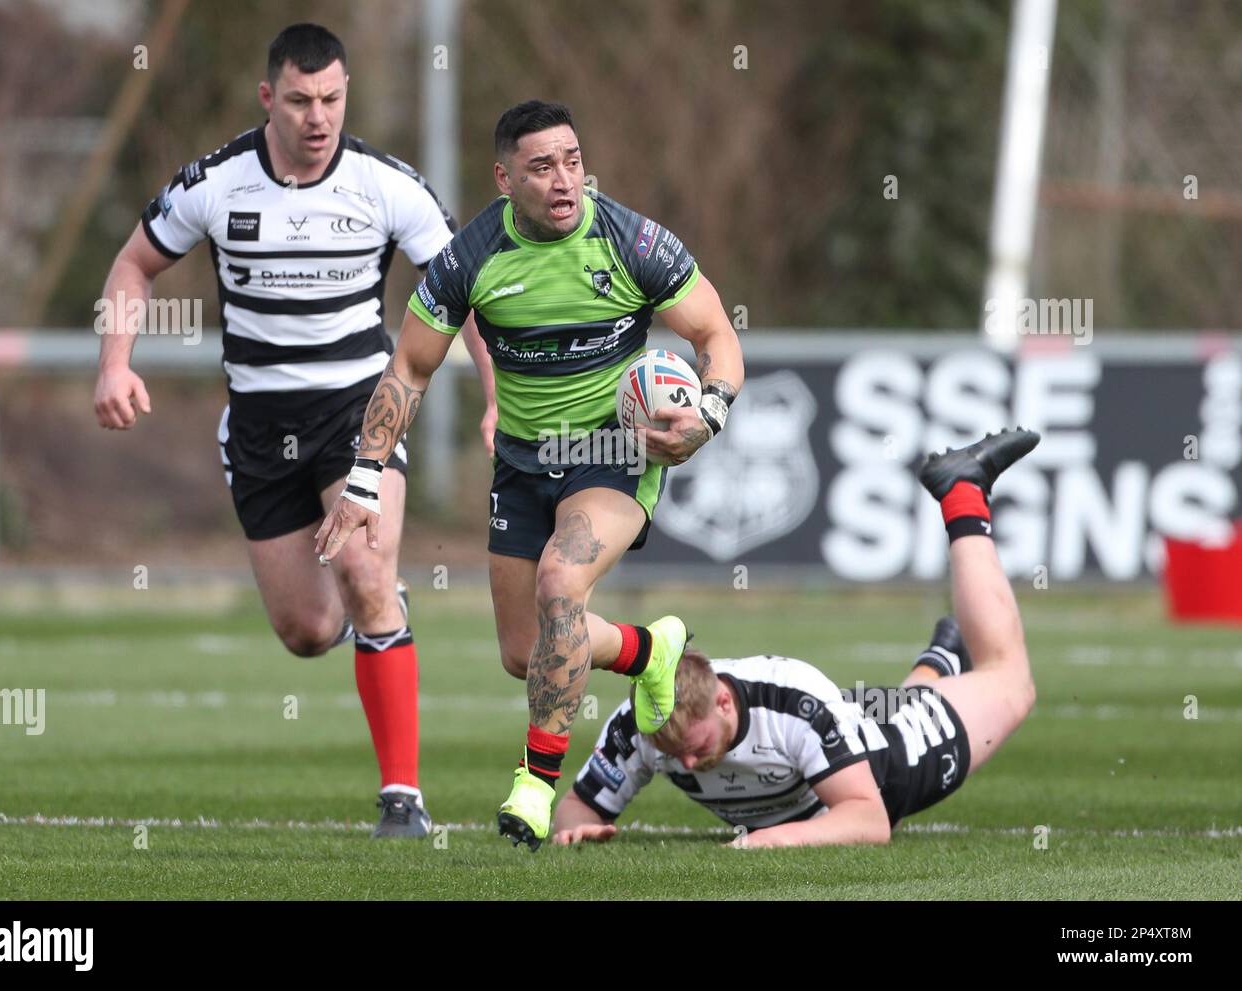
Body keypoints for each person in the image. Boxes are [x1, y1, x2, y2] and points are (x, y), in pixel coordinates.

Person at [92, 23, 489, 838]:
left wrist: (496, 398)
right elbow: (134, 263)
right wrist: (115, 362)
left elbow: (465, 290)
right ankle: (375, 607)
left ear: (347, 95)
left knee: (364, 569)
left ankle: (402, 797)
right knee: (308, 631)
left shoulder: (387, 186)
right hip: (261, 425)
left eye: (334, 99)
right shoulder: (216, 182)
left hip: (359, 411)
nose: (319, 116)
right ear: (269, 97)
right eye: (302, 100)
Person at [314, 100, 745, 851]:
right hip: (521, 463)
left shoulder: (631, 240)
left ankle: (536, 785)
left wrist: (708, 412)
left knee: (560, 587)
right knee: (527, 651)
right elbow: (410, 368)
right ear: (504, 176)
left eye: (573, 160)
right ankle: (650, 650)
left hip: (615, 456)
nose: (563, 179)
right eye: (542, 166)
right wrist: (363, 477)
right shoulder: (471, 257)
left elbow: (717, 335)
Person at [552, 428, 1040, 848]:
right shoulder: (645, 722)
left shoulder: (790, 698)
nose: (684, 762)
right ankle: (939, 659)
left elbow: (868, 819)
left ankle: (962, 490)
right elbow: (578, 806)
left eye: (694, 750)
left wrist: (773, 837)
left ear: (723, 702)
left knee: (1010, 679)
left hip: (887, 761)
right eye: (673, 752)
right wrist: (579, 828)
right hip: (834, 727)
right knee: (881, 706)